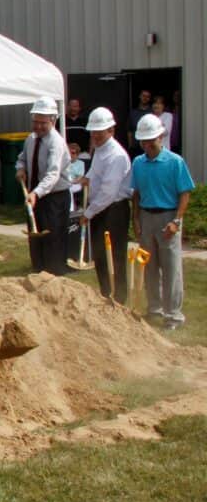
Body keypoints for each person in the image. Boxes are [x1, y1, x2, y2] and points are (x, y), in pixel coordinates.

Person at [128, 113, 194, 330]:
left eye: (151, 140)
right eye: (143, 141)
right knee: (149, 265)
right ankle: (154, 308)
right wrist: (135, 219)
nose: (147, 145)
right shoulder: (138, 163)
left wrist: (176, 221)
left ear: (161, 137)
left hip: (168, 216)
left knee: (171, 267)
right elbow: (136, 193)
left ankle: (173, 315)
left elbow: (184, 193)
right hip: (147, 216)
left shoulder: (175, 162)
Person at [15, 96, 71, 275]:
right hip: (35, 196)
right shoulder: (31, 139)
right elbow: (22, 158)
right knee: (36, 239)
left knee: (52, 241)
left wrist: (36, 193)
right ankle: (38, 271)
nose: (38, 126)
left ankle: (54, 276)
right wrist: (21, 168)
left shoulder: (56, 143)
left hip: (54, 198)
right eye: (35, 122)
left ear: (53, 120)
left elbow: (53, 174)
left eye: (42, 123)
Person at [80, 108, 131, 300]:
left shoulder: (116, 155)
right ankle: (106, 293)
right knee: (100, 255)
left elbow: (108, 192)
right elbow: (95, 171)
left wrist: (88, 212)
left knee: (114, 255)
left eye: (99, 132)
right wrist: (87, 178)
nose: (95, 136)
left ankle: (118, 298)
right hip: (101, 210)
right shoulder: (101, 149)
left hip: (113, 211)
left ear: (111, 130)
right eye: (93, 132)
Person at [127, 89, 152, 157]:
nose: (145, 98)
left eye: (147, 96)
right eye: (143, 96)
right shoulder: (133, 113)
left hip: (149, 146)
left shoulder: (152, 113)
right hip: (135, 147)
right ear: (140, 96)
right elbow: (129, 130)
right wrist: (130, 146)